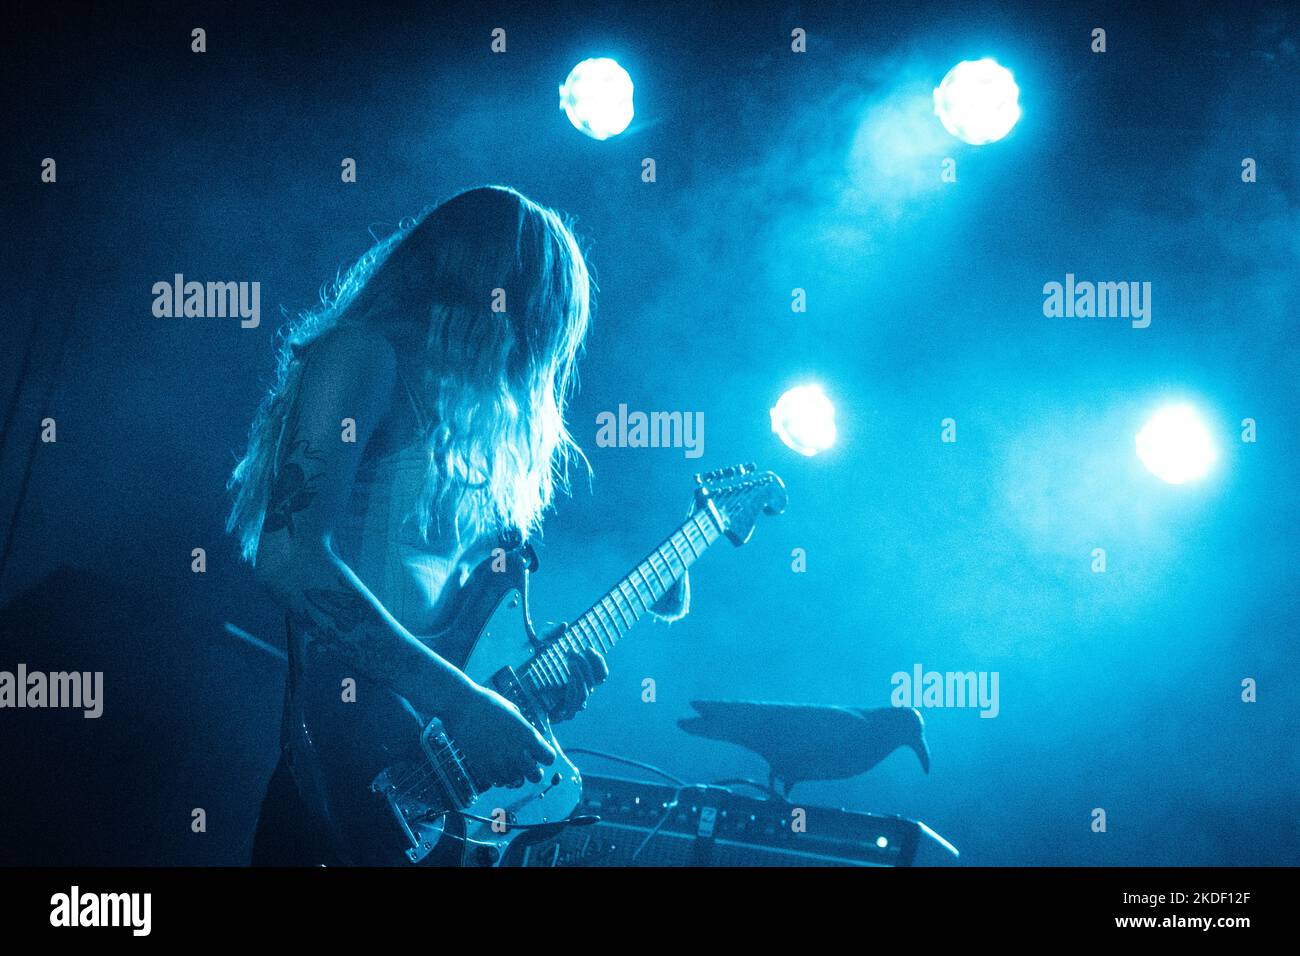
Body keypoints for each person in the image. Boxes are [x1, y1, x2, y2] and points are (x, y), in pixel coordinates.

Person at [226, 186, 686, 864]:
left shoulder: (474, 426)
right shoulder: (361, 355)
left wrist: (522, 685)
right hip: (352, 759)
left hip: (425, 769)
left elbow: (450, 616)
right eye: (542, 315)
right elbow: (291, 560)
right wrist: (465, 705)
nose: (536, 346)